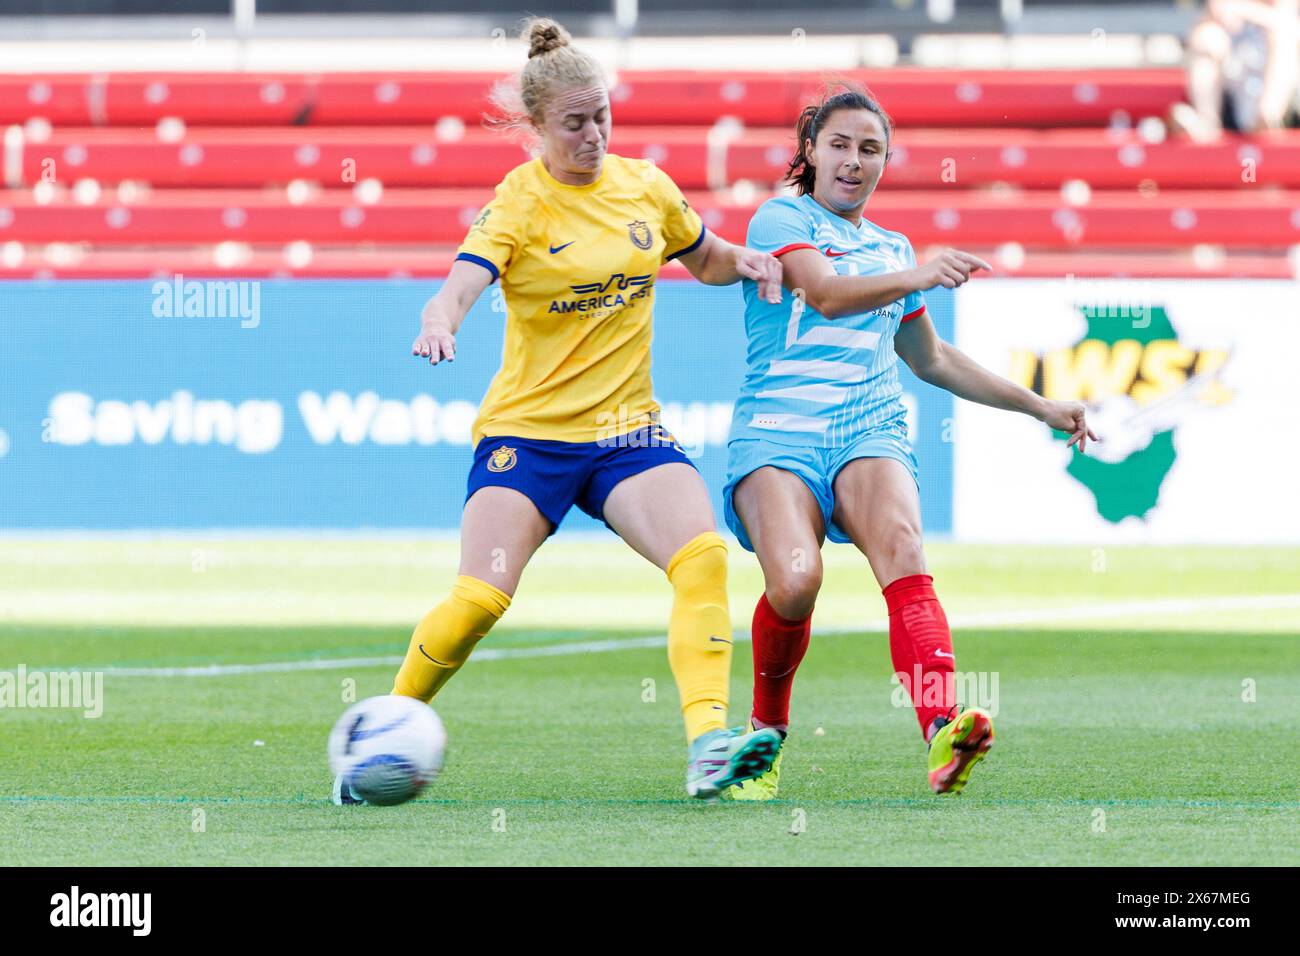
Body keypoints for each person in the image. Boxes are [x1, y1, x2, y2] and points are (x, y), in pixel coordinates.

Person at [333, 17, 786, 804]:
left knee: (703, 557)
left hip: (625, 432)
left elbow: (704, 256)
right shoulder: (520, 200)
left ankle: (709, 742)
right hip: (528, 435)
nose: (594, 134)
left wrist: (741, 261)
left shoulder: (645, 186)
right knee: (481, 599)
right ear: (536, 127)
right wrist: (440, 320)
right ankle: (383, 733)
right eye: (575, 123)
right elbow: (466, 280)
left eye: (602, 115)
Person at [719, 86, 1099, 800]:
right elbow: (826, 293)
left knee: (905, 550)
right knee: (796, 582)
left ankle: (944, 728)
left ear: (884, 161)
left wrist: (1040, 405)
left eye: (870, 150)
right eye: (839, 145)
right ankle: (765, 735)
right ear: (809, 150)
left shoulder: (891, 247)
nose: (853, 161)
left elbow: (931, 360)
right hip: (778, 432)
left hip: (867, 426)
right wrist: (921, 272)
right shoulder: (779, 217)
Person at [1171, 0, 1300, 142]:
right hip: (1232, 76)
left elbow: (1288, 23)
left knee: (1282, 38)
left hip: (1281, 92)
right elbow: (1217, 12)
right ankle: (1207, 124)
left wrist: (1243, 9)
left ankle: (1267, 118)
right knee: (1206, 36)